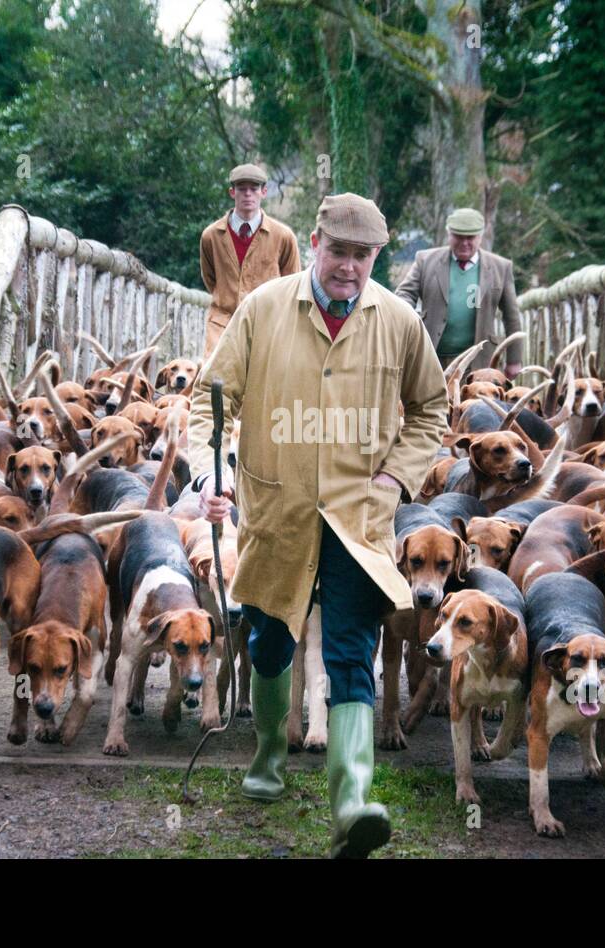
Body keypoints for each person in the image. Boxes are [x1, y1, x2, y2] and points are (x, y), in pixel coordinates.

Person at [188, 193, 448, 858]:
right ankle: (270, 750)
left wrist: (395, 477)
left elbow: (431, 408)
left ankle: (351, 802)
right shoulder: (265, 308)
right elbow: (210, 400)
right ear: (314, 243)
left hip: (358, 521)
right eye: (340, 252)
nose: (351, 268)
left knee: (351, 654)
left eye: (364, 256)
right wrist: (213, 472)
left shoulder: (397, 320)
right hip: (278, 512)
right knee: (271, 643)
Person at [395, 207, 522, 376]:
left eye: (470, 238)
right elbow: (405, 294)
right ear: (449, 234)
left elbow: (511, 316)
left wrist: (514, 360)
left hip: (478, 361)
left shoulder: (501, 268)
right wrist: (406, 314)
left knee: (474, 403)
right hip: (431, 356)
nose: (464, 243)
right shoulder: (425, 260)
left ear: (480, 236)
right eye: (458, 237)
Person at [198, 163, 300, 357]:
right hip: (222, 322)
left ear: (264, 192)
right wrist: (228, 295)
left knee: (262, 380)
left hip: (268, 324)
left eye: (253, 189)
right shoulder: (211, 236)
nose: (247, 194)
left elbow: (292, 283)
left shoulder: (283, 236)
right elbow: (211, 278)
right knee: (215, 380)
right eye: (242, 189)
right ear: (232, 192)